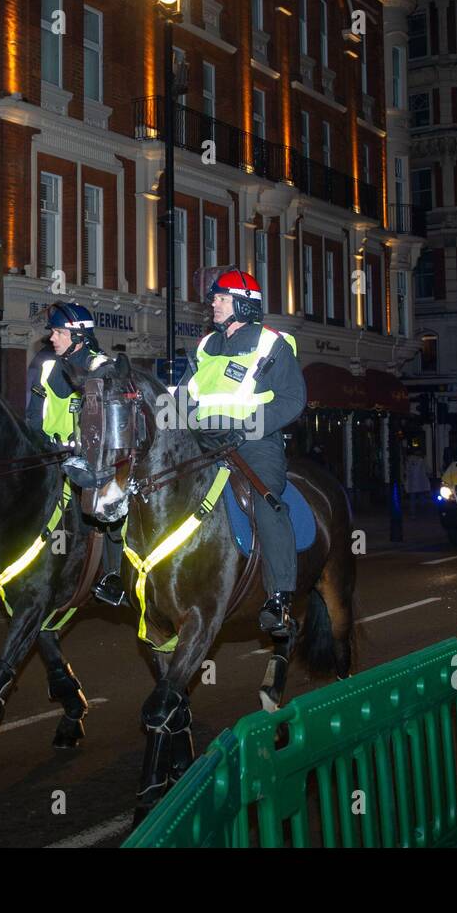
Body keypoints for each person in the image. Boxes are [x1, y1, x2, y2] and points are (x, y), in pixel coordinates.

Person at [181, 269, 305, 637]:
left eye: (219, 299)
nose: (213, 305)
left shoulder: (273, 343)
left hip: (254, 442)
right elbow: (186, 396)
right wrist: (179, 426)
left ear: (242, 304)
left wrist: (248, 428)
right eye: (214, 299)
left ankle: (279, 598)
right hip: (205, 444)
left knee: (267, 501)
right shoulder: (206, 346)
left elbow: (293, 400)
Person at [26, 302, 126, 607]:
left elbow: (112, 421)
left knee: (107, 511)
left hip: (93, 459)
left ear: (79, 337)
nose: (52, 338)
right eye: (53, 332)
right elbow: (33, 416)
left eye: (58, 332)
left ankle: (113, 575)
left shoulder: (102, 367)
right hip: (52, 454)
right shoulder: (46, 367)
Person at [404, 449, 430, 517]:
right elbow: (427, 470)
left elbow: (407, 471)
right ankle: (423, 512)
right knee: (421, 496)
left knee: (412, 498)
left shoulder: (409, 460)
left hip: (412, 482)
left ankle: (413, 513)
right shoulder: (422, 460)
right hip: (421, 482)